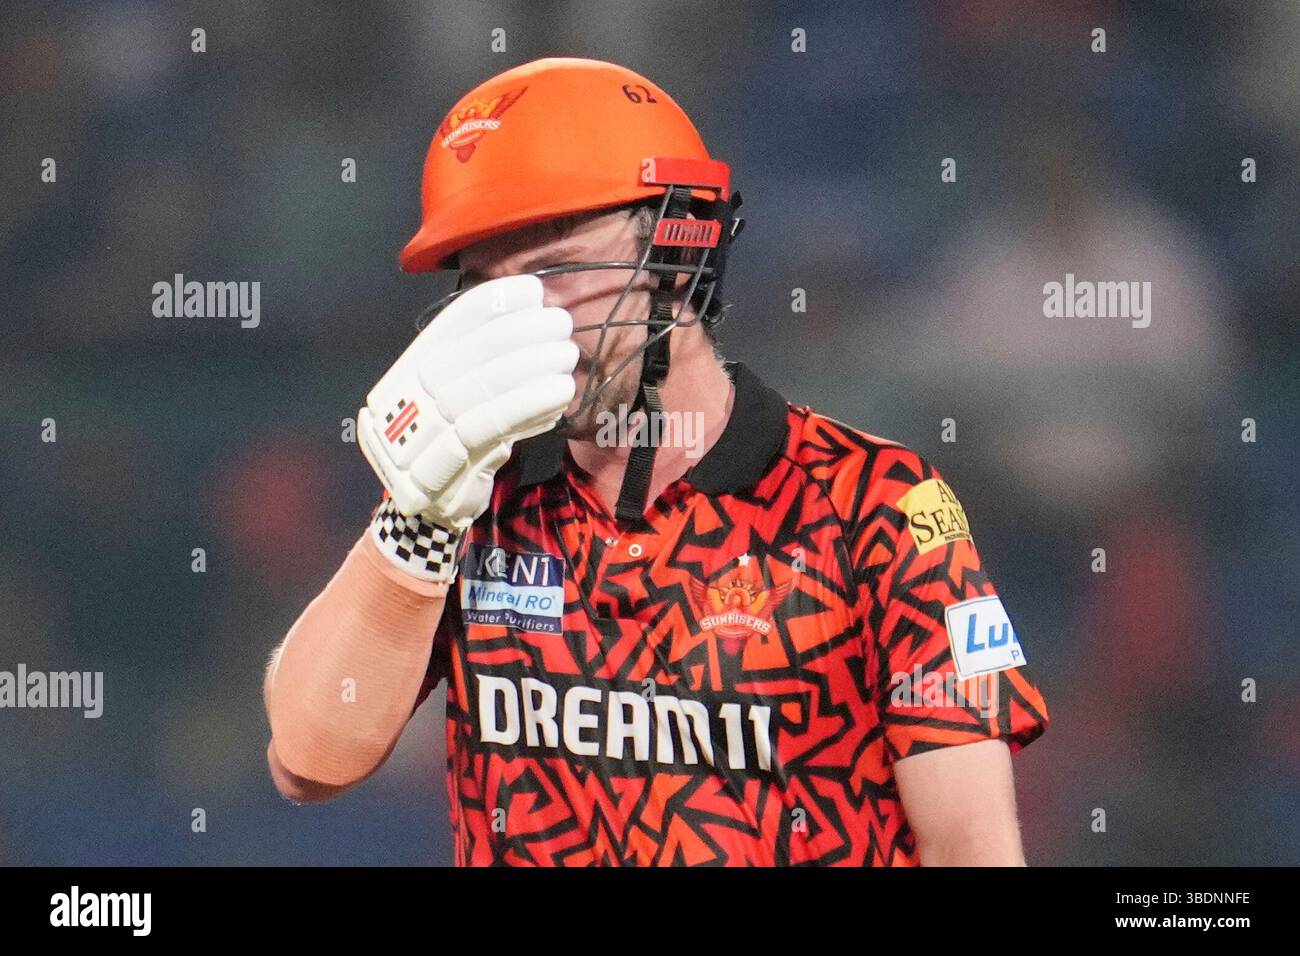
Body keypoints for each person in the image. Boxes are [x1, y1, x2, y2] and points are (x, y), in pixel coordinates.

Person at [263, 56, 1049, 866]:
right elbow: (306, 762)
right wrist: (411, 529)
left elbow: (972, 849)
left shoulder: (872, 505)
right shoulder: (471, 493)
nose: (522, 324)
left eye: (557, 270)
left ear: (677, 255)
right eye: (487, 292)